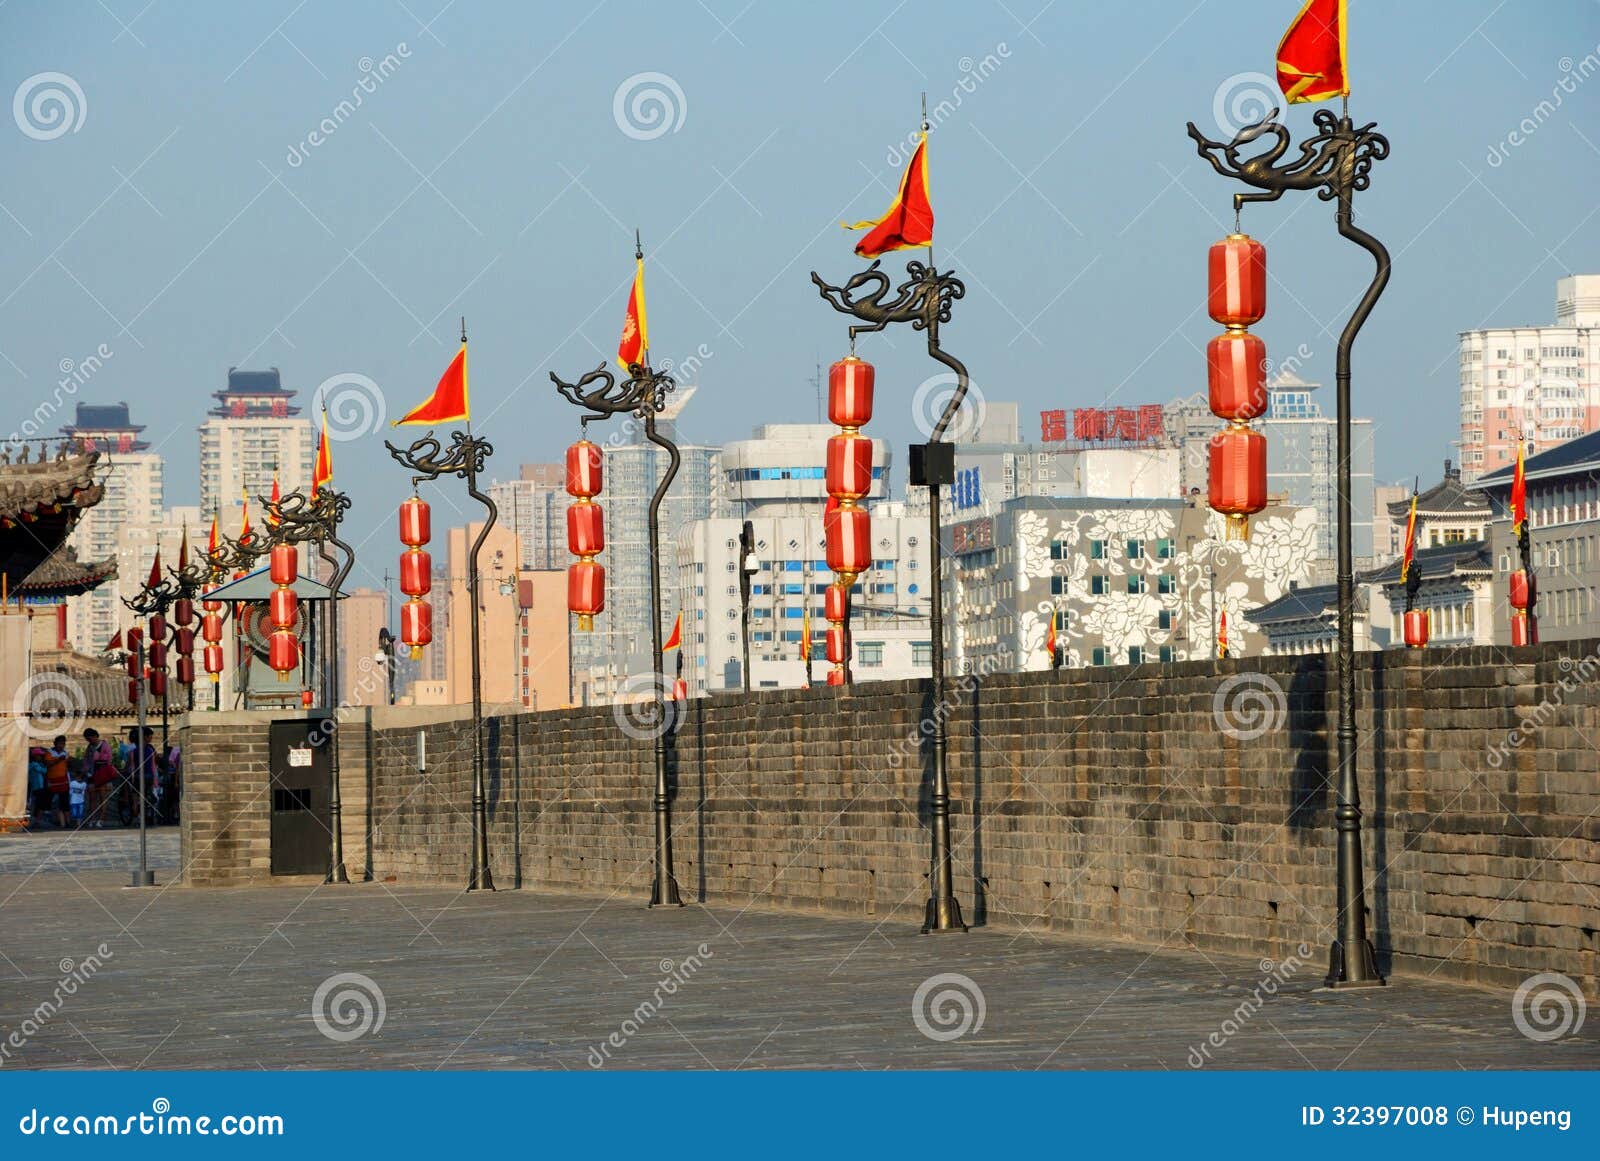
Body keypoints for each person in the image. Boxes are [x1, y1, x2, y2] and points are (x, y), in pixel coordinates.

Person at [82, 728, 115, 828]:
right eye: (87, 739)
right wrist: (85, 770)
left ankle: (101, 819)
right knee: (92, 799)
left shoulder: (105, 746)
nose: (89, 740)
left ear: (95, 736)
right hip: (91, 775)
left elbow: (108, 760)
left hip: (102, 775)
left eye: (90, 738)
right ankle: (93, 818)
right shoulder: (89, 747)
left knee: (102, 798)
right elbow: (86, 760)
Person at [44, 736, 70, 828]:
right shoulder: (49, 753)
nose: (61, 746)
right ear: (55, 743)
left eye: (63, 744)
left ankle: (67, 822)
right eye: (59, 743)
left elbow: (67, 765)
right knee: (49, 800)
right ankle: (47, 820)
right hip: (52, 780)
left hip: (63, 780)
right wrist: (58, 759)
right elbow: (48, 764)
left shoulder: (66, 753)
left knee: (64, 801)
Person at [26, 747, 47, 828]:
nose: (41, 757)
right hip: (36, 787)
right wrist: (44, 766)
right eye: (39, 756)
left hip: (39, 787)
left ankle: (36, 821)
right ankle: (35, 821)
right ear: (35, 756)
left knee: (39, 805)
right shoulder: (34, 764)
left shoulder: (35, 764)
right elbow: (44, 771)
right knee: (37, 805)